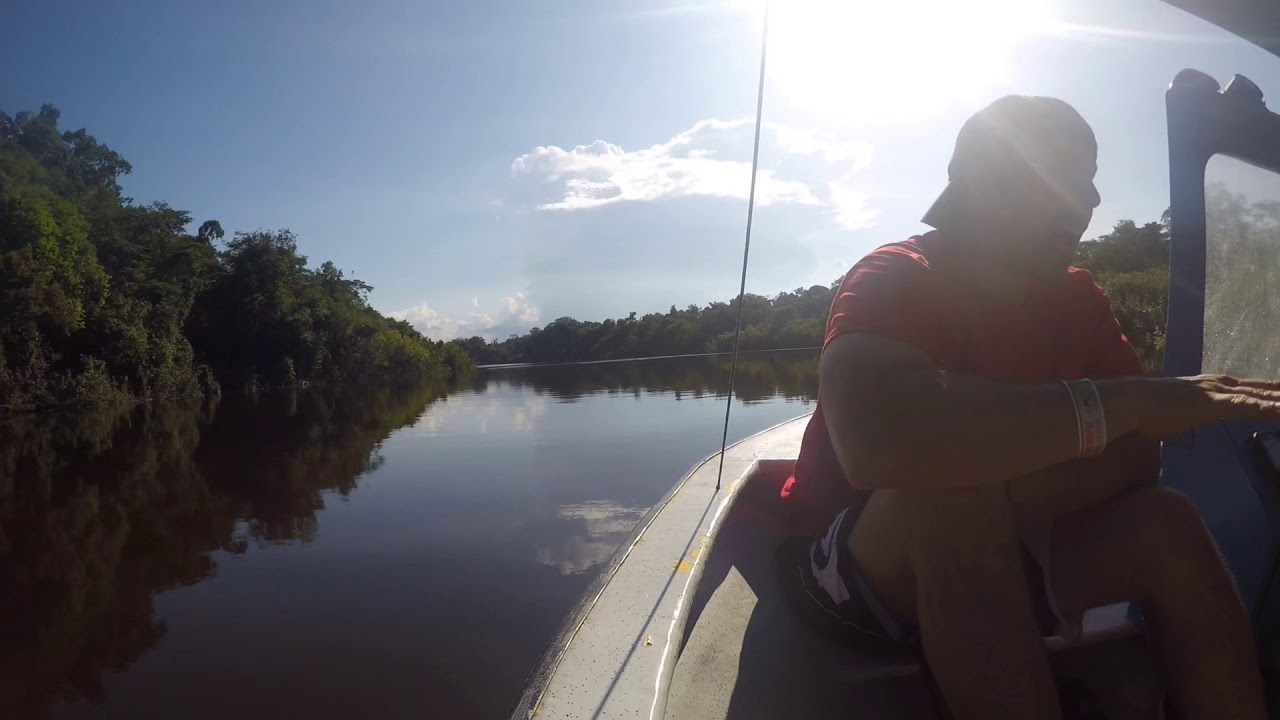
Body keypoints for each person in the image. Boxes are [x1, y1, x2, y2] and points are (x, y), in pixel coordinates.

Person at [777, 95, 1280, 719]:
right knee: (950, 493)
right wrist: (1122, 404)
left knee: (1165, 519)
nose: (1090, 198)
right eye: (1061, 173)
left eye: (1090, 178)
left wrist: (1012, 484)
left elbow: (1137, 458)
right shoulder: (897, 274)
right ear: (981, 184)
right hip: (854, 576)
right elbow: (878, 441)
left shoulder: (1078, 299)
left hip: (1012, 538)